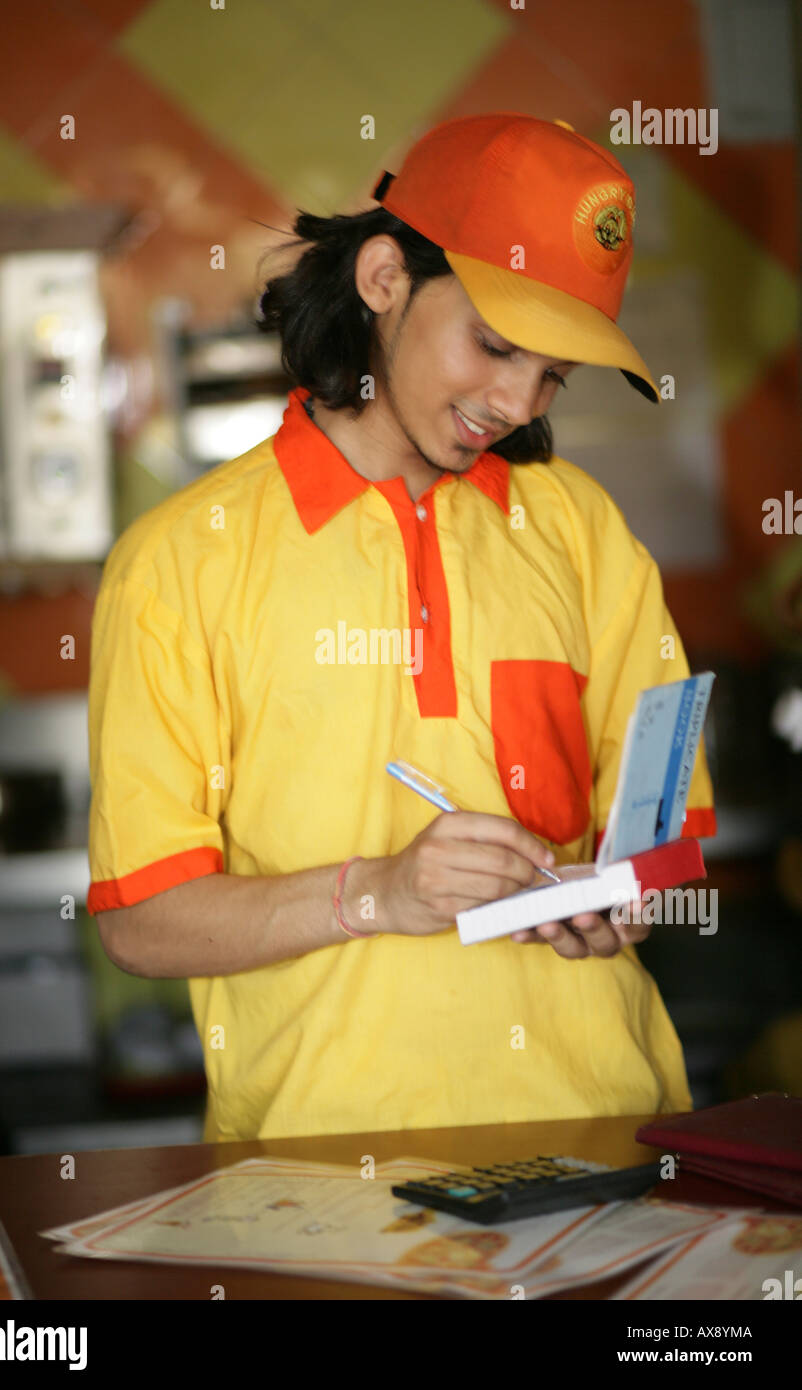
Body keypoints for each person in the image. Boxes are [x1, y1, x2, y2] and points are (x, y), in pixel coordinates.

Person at [86, 112, 717, 1143]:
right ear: (383, 277)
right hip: (319, 1171)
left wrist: (622, 893)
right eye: (496, 343)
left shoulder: (579, 529)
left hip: (602, 1139)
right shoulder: (181, 561)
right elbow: (140, 922)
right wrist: (375, 890)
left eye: (552, 373)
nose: (515, 400)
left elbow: (659, 833)